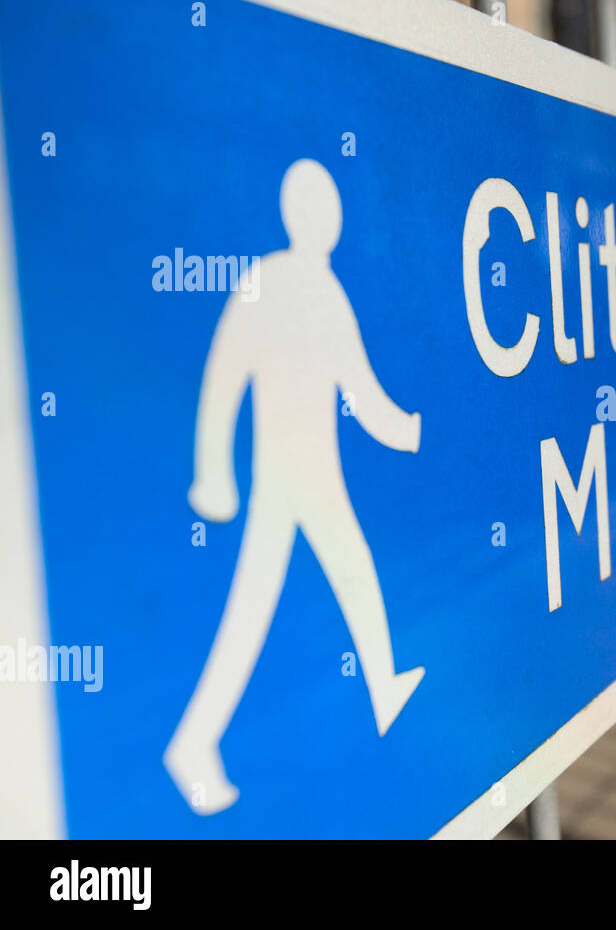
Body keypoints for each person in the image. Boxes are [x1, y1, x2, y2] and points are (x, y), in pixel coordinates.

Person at [165, 159, 424, 815]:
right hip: (283, 478)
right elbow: (225, 373)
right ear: (293, 213)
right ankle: (193, 743)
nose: (326, 217)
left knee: (352, 569)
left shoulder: (326, 289)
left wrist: (410, 429)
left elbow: (360, 390)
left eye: (330, 205)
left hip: (316, 477)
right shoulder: (270, 281)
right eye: (313, 204)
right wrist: (211, 472)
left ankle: (383, 683)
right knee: (252, 607)